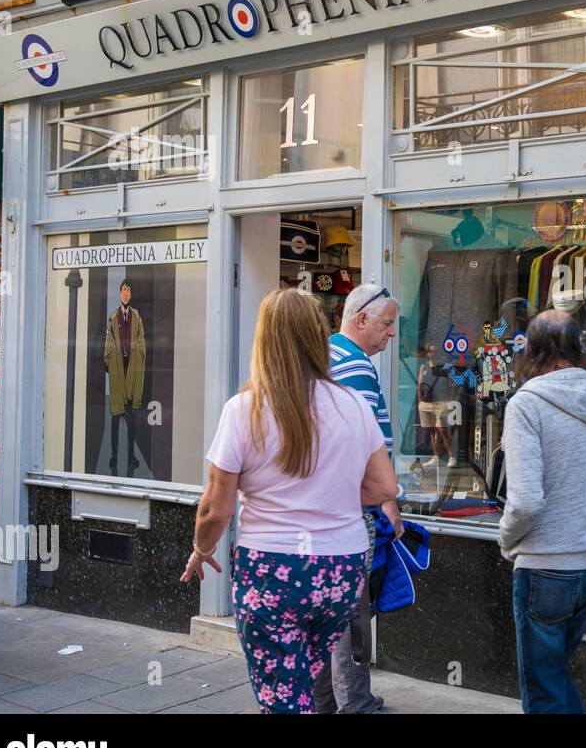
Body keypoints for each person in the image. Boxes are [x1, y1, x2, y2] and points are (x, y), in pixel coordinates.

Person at [181, 289, 395, 714]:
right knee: (304, 681)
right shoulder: (353, 403)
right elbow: (383, 488)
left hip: (273, 571)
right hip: (340, 569)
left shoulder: (245, 409)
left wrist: (201, 549)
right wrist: (332, 495)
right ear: (320, 337)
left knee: (283, 696)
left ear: (265, 340)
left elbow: (215, 508)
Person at [499, 310, 586, 714]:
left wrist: (506, 539)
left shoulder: (526, 405)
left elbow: (524, 500)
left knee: (543, 691)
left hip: (543, 564)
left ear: (532, 350)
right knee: (554, 679)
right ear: (576, 349)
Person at [316, 283, 405, 714]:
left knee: (330, 606)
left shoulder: (328, 354)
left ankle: (327, 700)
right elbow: (366, 450)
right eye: (387, 324)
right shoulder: (354, 366)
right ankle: (356, 703)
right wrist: (388, 502)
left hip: (329, 507)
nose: (391, 334)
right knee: (351, 610)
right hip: (352, 510)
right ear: (361, 318)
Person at [103, 279, 146, 477]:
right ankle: (113, 455)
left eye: (129, 290)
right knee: (115, 415)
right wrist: (111, 358)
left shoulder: (137, 316)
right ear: (120, 294)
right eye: (123, 290)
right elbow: (108, 343)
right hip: (119, 369)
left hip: (133, 369)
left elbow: (141, 339)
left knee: (132, 419)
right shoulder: (113, 318)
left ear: (131, 293)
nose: (126, 293)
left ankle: (130, 456)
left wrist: (137, 353)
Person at [416, 344, 455, 468]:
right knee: (431, 430)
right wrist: (420, 402)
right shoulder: (424, 367)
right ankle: (436, 456)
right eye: (431, 352)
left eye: (435, 352)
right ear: (427, 354)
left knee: (442, 429)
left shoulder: (445, 367)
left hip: (441, 402)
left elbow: (453, 385)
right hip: (427, 403)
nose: (433, 354)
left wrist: (450, 400)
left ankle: (451, 456)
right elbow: (419, 385)